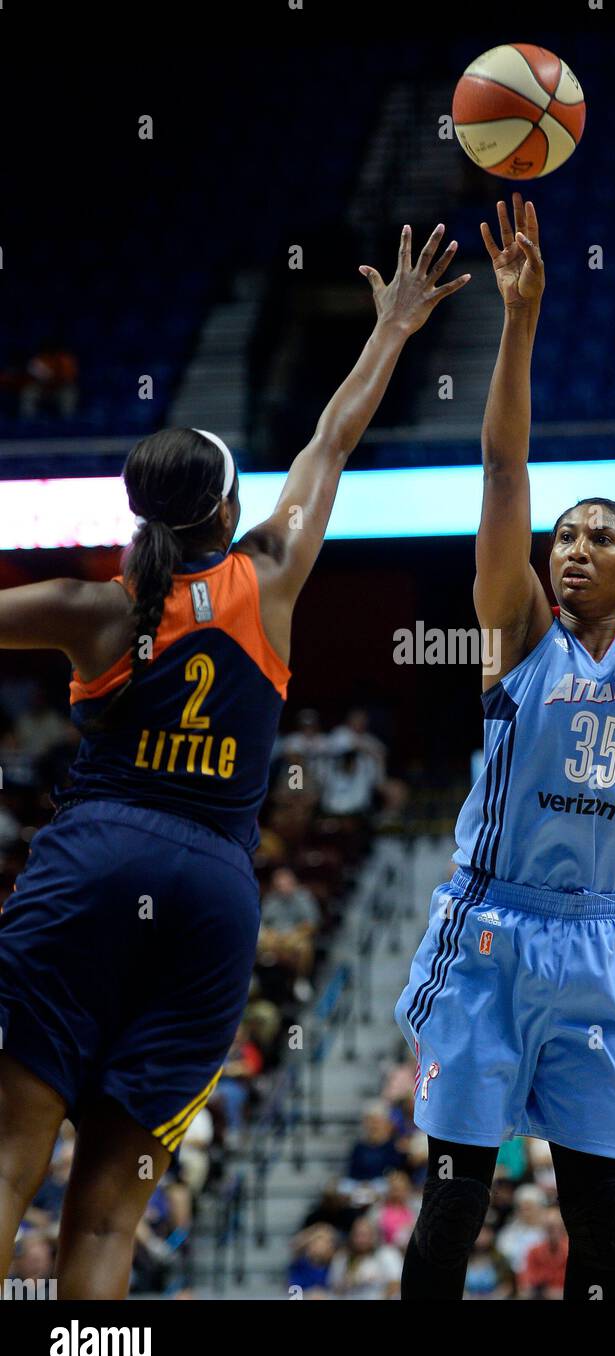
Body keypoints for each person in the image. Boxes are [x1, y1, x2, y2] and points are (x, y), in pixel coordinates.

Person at [0, 221, 469, 1299]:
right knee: (112, 1216)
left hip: (92, 860)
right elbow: (333, 439)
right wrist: (394, 326)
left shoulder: (94, 610)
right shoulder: (274, 571)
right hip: (213, 886)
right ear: (227, 507)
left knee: (7, 1159)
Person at [395, 195, 615, 1301]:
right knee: (455, 1198)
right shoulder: (517, 634)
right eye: (564, 534)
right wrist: (521, 321)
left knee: (604, 1215)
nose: (573, 545)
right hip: (489, 928)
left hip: (595, 944)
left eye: (600, 536)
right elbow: (501, 472)